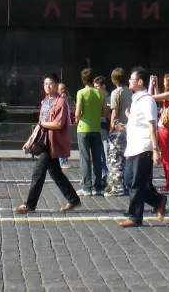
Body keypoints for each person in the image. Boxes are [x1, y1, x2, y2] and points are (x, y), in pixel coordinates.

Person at [15, 74, 80, 214]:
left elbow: (58, 124)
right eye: (45, 84)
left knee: (38, 172)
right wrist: (30, 140)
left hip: (52, 143)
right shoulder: (45, 102)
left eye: (50, 83)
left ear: (56, 85)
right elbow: (40, 125)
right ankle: (73, 199)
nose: (47, 86)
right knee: (56, 173)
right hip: (44, 140)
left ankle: (30, 204)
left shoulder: (61, 102)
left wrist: (43, 124)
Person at [119, 67, 168, 227]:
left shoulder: (148, 101)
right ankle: (157, 200)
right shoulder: (136, 100)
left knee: (137, 184)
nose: (129, 81)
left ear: (140, 82)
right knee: (128, 181)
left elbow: (151, 125)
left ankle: (135, 217)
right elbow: (136, 124)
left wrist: (155, 150)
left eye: (132, 78)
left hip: (144, 147)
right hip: (132, 147)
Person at [74, 68, 105, 197]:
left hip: (83, 128)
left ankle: (87, 187)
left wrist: (77, 119)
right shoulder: (100, 93)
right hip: (96, 129)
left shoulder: (81, 93)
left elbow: (78, 112)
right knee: (97, 158)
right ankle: (98, 186)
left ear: (83, 79)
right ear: (93, 79)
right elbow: (105, 112)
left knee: (85, 159)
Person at [150, 72, 169, 191]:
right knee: (168, 156)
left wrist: (151, 87)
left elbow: (152, 97)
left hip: (164, 129)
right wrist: (156, 86)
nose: (163, 82)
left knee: (166, 158)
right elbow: (160, 97)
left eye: (164, 81)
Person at [105, 68, 131, 197]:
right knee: (124, 159)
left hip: (118, 129)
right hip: (128, 129)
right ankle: (124, 185)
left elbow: (114, 113)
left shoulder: (116, 93)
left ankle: (117, 187)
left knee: (114, 159)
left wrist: (111, 129)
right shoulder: (129, 92)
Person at [94, 76, 110, 186]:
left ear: (103, 86)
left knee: (107, 155)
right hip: (97, 130)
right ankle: (100, 177)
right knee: (98, 156)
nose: (96, 90)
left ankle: (108, 177)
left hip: (107, 131)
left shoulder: (110, 98)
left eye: (97, 87)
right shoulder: (95, 98)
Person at [56, 82, 74, 169]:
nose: (63, 90)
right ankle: (62, 161)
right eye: (61, 89)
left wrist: (68, 97)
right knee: (62, 142)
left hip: (67, 123)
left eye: (64, 88)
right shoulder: (57, 99)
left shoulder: (66, 99)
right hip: (61, 124)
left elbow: (72, 106)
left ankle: (65, 160)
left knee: (66, 142)